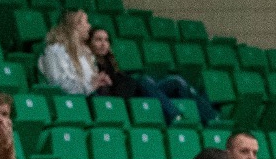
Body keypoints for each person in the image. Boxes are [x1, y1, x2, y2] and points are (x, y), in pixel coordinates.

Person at [88, 27, 220, 126]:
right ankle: (175, 115)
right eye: (98, 40)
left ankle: (209, 118)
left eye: (106, 40)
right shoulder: (90, 64)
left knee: (177, 81)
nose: (103, 44)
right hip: (132, 96)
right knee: (144, 80)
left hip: (140, 89)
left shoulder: (111, 63)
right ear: (90, 43)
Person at [39, 9, 108, 98]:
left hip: (85, 100)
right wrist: (91, 86)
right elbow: (59, 85)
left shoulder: (84, 53)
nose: (89, 26)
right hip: (66, 102)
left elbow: (88, 82)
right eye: (86, 22)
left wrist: (98, 81)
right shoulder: (55, 51)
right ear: (76, 25)